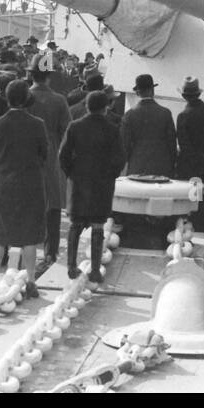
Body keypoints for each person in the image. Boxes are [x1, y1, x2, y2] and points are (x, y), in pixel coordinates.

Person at [0, 80, 47, 298]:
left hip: (1, 182)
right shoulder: (38, 124)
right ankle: (30, 281)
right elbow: (44, 154)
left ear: (7, 97)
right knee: (29, 236)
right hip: (30, 182)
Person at [59, 90, 126, 283]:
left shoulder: (75, 126)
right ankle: (95, 269)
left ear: (87, 106)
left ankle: (71, 266)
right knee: (98, 226)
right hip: (102, 185)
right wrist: (110, 175)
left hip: (79, 183)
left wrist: (72, 173)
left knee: (75, 225)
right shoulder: (112, 129)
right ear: (106, 108)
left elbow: (63, 155)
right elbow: (120, 158)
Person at [27, 62, 71, 265]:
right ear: (48, 76)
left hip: (25, 155)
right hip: (51, 154)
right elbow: (67, 132)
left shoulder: (24, 96)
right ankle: (50, 252)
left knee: (25, 202)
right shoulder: (58, 100)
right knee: (52, 206)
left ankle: (20, 251)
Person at [176, 77, 204, 230]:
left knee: (194, 199)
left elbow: (184, 145)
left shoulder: (183, 115)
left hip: (192, 165)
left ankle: (195, 225)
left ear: (185, 96)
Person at [120, 74, 178, 177]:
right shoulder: (165, 113)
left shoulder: (129, 115)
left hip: (137, 167)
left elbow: (125, 146)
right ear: (153, 90)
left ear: (137, 93)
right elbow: (172, 144)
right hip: (162, 168)